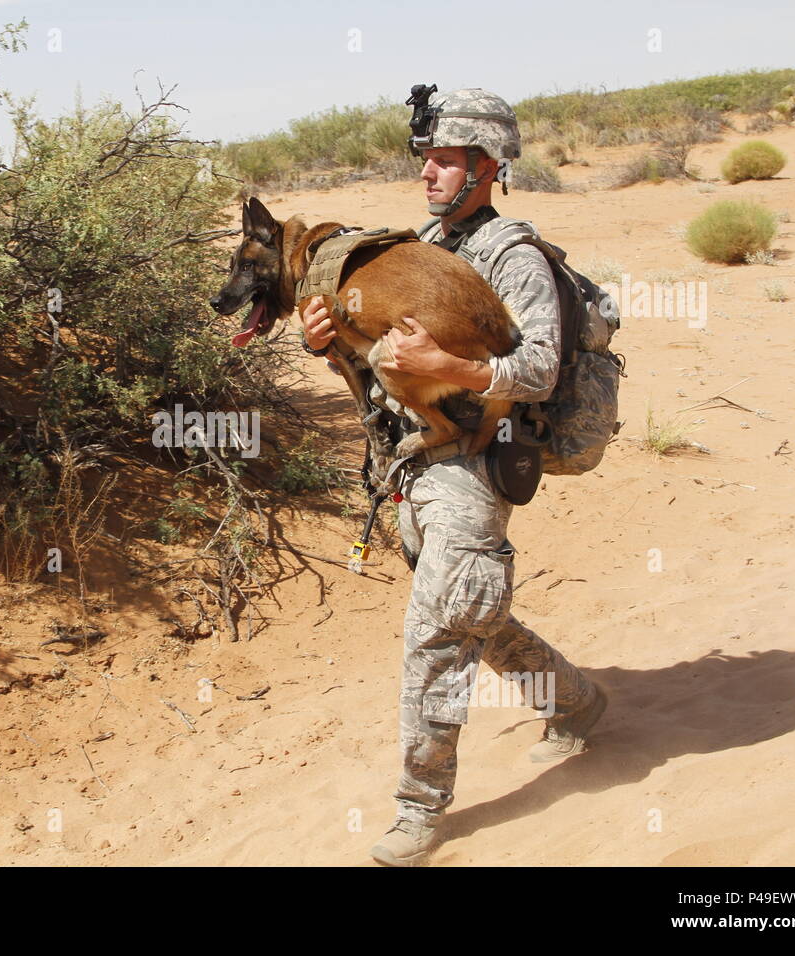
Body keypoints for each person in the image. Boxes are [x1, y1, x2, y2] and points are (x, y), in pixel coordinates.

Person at [300, 88, 608, 867]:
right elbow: (379, 352)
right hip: (409, 462)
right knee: (475, 614)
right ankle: (575, 701)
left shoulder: (513, 254)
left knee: (436, 635)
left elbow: (537, 366)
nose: (429, 172)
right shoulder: (424, 243)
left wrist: (451, 366)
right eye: (426, 158)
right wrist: (324, 340)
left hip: (474, 462)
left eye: (446, 159)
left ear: (487, 166)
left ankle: (419, 809)